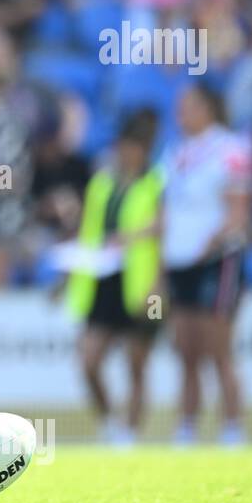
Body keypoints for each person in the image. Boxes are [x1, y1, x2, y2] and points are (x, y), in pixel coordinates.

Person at [160, 85, 252, 446]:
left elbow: (238, 213)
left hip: (217, 261)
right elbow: (169, 210)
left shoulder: (230, 149)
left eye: (188, 107)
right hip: (180, 262)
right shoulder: (175, 153)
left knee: (219, 350)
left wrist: (209, 244)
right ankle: (187, 429)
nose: (181, 114)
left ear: (208, 108)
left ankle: (233, 429)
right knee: (185, 350)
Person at [64, 110, 163, 446]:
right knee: (89, 361)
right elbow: (88, 231)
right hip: (102, 281)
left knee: (137, 364)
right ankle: (109, 424)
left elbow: (164, 230)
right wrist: (69, 273)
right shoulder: (102, 183)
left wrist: (157, 283)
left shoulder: (156, 183)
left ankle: (130, 435)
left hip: (140, 283)